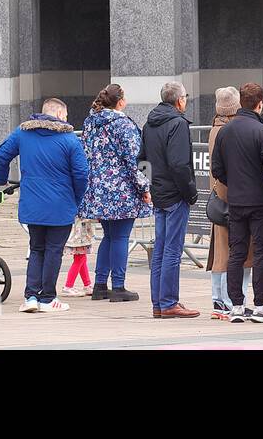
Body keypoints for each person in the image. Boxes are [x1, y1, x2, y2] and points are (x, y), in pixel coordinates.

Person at [0, 97, 88, 314]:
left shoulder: (23, 133)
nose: (66, 119)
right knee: (54, 251)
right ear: (59, 115)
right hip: (61, 206)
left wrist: (1, 181)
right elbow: (82, 173)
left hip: (32, 205)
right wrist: (77, 198)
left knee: (36, 249)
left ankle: (31, 297)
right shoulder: (70, 140)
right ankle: (48, 298)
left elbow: (1, 155)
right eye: (65, 116)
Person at [211, 81, 263, 323]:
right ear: (260, 104)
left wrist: (236, 183)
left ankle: (237, 306)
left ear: (241, 102)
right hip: (262, 202)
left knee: (236, 252)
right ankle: (260, 304)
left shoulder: (225, 132)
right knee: (262, 253)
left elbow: (217, 169)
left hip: (237, 201)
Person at [80, 84, 151, 303]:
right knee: (121, 236)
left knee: (109, 236)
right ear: (120, 101)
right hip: (122, 189)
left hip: (98, 188)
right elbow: (134, 160)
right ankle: (118, 286)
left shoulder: (90, 122)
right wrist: (144, 187)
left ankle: (100, 285)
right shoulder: (123, 124)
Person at [140, 81, 199, 319]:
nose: (186, 100)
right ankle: (168, 302)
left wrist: (153, 184)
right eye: (185, 97)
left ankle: (159, 302)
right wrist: (190, 192)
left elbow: (142, 160)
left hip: (160, 193)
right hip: (174, 195)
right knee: (172, 251)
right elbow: (179, 164)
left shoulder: (149, 123)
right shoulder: (177, 124)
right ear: (179, 100)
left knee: (161, 250)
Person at [206, 85, 243, 320]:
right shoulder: (227, 132)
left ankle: (217, 297)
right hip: (228, 196)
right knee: (230, 250)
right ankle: (225, 299)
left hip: (217, 195)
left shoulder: (214, 129)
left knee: (218, 249)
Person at [61, 213, 96, 297]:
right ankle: (68, 286)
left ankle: (87, 284)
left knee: (81, 258)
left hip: (78, 232)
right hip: (79, 234)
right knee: (80, 258)